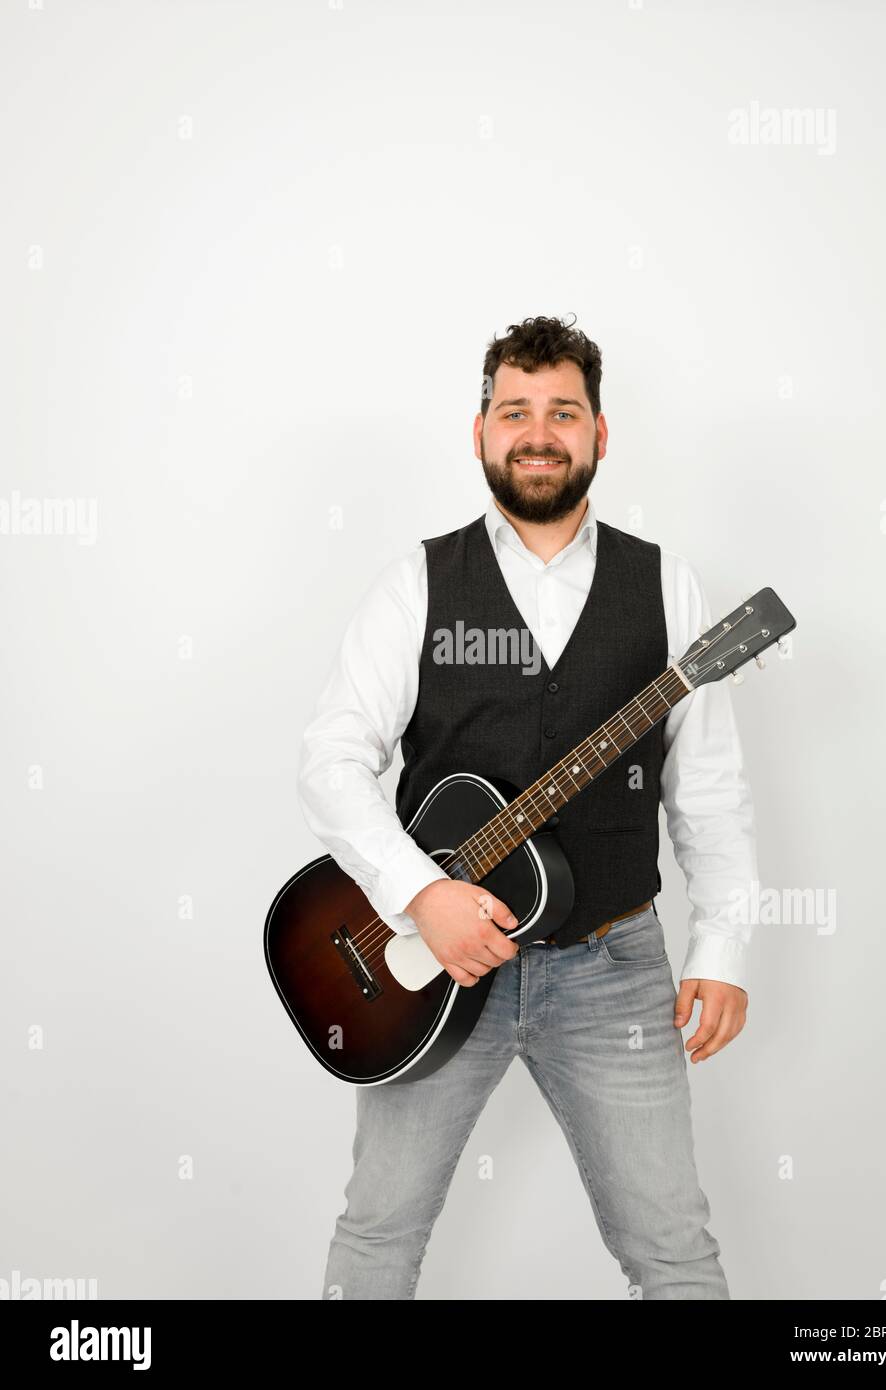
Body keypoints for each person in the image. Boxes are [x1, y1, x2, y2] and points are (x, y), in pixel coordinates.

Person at [297, 314, 758, 1300]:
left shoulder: (667, 584)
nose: (538, 432)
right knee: (377, 1237)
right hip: (429, 977)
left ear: (599, 433)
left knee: (675, 1255)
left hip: (614, 967)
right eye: (515, 411)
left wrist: (724, 949)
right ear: (479, 432)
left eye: (563, 411)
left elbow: (711, 792)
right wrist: (422, 894)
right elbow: (330, 763)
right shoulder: (416, 582)